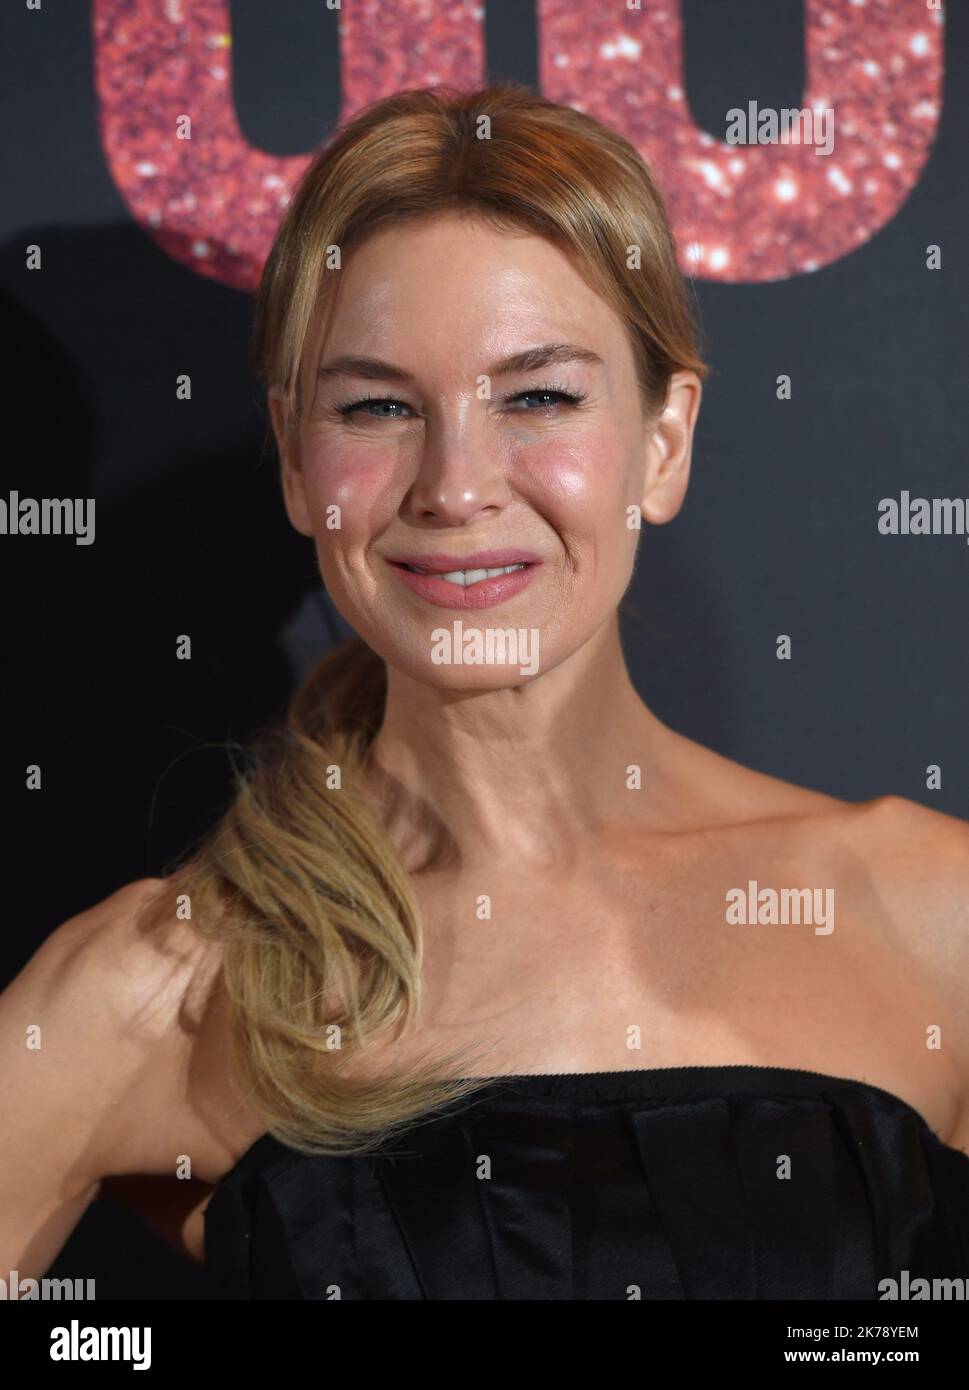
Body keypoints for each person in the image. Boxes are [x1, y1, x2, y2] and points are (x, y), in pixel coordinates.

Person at [3, 82, 968, 1301]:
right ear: (299, 461)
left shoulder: (936, 917)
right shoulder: (170, 985)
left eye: (540, 396)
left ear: (664, 442)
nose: (455, 485)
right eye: (380, 407)